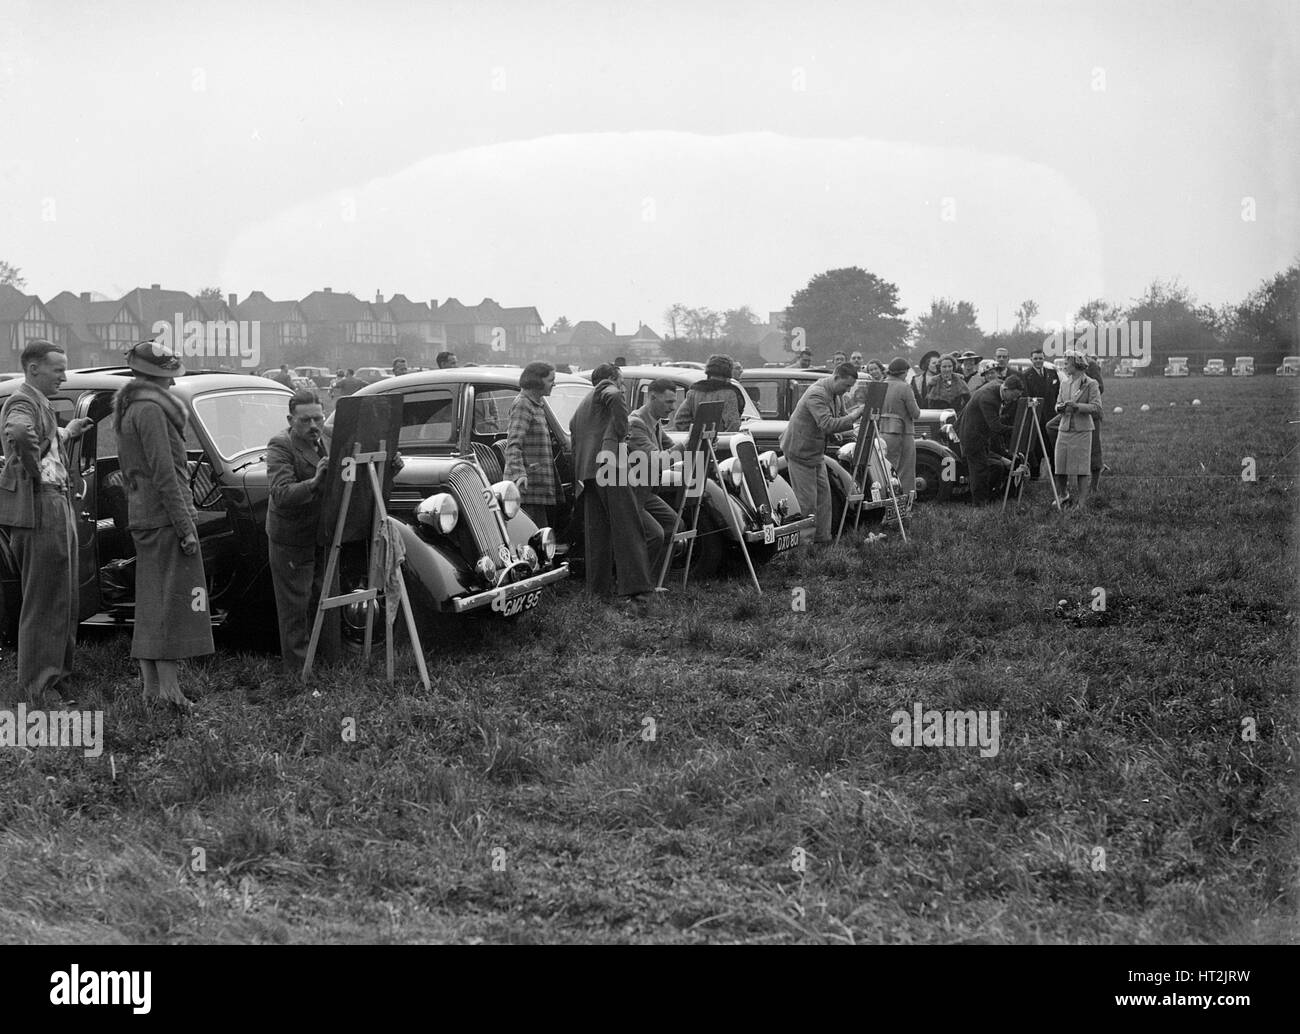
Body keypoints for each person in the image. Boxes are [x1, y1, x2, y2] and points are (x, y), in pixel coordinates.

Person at [113, 340, 214, 709]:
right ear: (153, 378)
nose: (172, 385)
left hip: (145, 516)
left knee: (152, 604)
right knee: (171, 606)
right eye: (166, 377)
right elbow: (166, 474)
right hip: (165, 517)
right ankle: (170, 692)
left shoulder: (129, 408)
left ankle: (152, 690)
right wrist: (186, 526)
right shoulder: (153, 410)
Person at [0, 340, 92, 704]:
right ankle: (38, 688)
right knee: (45, 600)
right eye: (58, 370)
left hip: (56, 502)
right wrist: (34, 469)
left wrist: (69, 432)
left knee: (64, 596)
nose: (64, 377)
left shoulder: (39, 403)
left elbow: (43, 437)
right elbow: (20, 433)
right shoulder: (23, 401)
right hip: (41, 506)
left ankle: (55, 677)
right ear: (34, 369)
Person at [265, 389, 342, 676]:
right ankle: (298, 672)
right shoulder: (280, 445)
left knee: (325, 599)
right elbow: (281, 493)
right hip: (292, 535)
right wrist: (315, 480)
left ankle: (329, 664)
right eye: (305, 420)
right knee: (295, 606)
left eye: (318, 418)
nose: (313, 426)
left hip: (324, 531)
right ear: (290, 419)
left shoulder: (331, 435)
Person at [570, 363, 658, 604]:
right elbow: (614, 394)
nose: (622, 386)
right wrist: (621, 433)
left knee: (597, 535)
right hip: (611, 467)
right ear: (610, 378)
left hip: (588, 473)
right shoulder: (607, 390)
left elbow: (572, 431)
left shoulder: (583, 405)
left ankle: (598, 592)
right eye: (621, 381)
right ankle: (637, 589)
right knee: (628, 527)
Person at [779, 362, 864, 544]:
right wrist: (856, 415)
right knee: (807, 502)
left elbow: (837, 420)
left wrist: (837, 434)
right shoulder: (817, 393)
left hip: (815, 453)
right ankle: (805, 546)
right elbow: (826, 424)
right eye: (846, 385)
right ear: (836, 377)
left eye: (850, 387)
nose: (848, 391)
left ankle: (823, 540)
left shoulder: (835, 394)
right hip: (800, 452)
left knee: (824, 499)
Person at [627, 378, 683, 581]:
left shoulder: (653, 422)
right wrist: (689, 444)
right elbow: (658, 461)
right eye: (669, 402)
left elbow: (672, 451)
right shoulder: (636, 424)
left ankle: (655, 580)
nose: (673, 407)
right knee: (656, 534)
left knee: (674, 524)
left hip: (645, 492)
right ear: (652, 398)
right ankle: (637, 582)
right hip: (631, 494)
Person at [955, 373, 1026, 504]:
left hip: (981, 434)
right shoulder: (989, 399)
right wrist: (1018, 430)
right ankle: (979, 503)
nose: (1015, 400)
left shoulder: (998, 387)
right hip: (972, 436)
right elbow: (996, 427)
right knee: (979, 470)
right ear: (1006, 390)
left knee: (987, 467)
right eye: (1014, 396)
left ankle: (986, 497)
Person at [504, 361, 559, 527]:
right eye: (550, 380)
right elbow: (513, 444)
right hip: (527, 487)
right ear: (537, 381)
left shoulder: (536, 404)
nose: (553, 384)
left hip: (536, 486)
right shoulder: (523, 404)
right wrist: (519, 474)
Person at [1053, 351, 1102, 511]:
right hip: (1064, 429)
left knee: (1082, 468)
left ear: (1076, 364)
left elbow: (1096, 407)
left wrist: (1077, 407)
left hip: (1082, 431)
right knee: (1060, 466)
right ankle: (1063, 494)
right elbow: (1058, 403)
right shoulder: (1064, 383)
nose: (1064, 366)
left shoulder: (1091, 383)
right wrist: (1060, 407)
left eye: (1067, 363)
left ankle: (1081, 503)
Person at [879, 358, 920, 502]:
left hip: (882, 433)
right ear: (903, 372)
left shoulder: (880, 385)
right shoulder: (905, 387)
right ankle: (905, 502)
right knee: (905, 470)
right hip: (903, 433)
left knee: (887, 470)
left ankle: (887, 500)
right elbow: (915, 413)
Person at [672, 353, 745, 432]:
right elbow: (733, 424)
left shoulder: (693, 392)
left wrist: (693, 438)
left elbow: (680, 421)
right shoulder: (730, 393)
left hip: (698, 442)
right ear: (728, 372)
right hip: (721, 442)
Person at [1020, 348, 1059, 479]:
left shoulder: (1052, 373)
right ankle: (1035, 477)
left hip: (1052, 417)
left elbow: (1058, 394)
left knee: (1053, 448)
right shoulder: (1025, 375)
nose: (1038, 361)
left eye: (1040, 358)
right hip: (1036, 419)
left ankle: (1056, 476)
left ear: (1044, 359)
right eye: (1035, 358)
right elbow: (1026, 396)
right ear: (1031, 360)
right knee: (1036, 450)